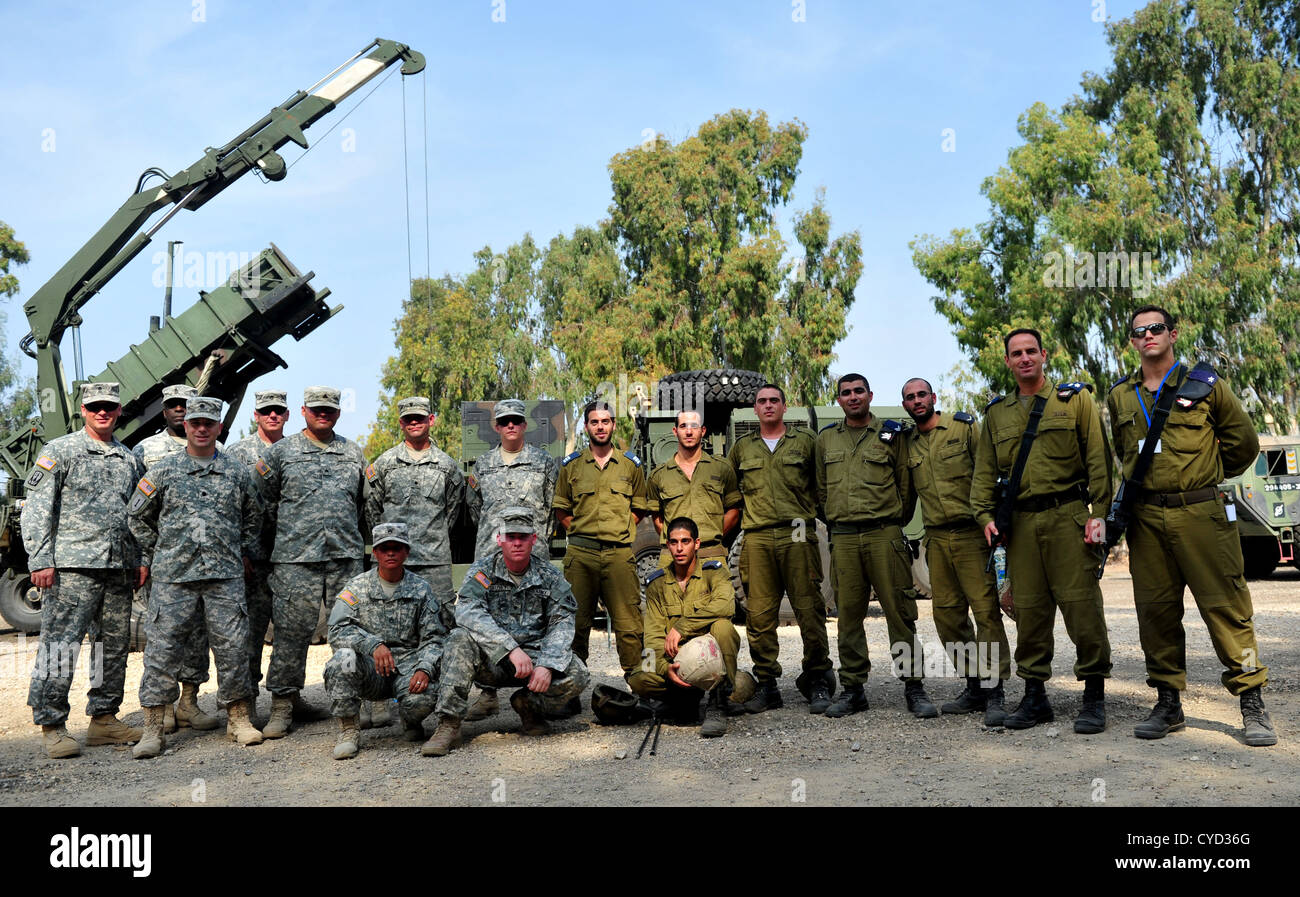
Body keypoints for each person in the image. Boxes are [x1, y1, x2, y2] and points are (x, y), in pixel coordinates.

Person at [1106, 305, 1277, 746]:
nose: (1148, 336)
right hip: (1146, 519)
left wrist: (1206, 471)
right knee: (1156, 612)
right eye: (1139, 331)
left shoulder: (1205, 385)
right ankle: (1168, 702)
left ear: (1173, 334)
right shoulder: (1120, 396)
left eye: (1156, 328)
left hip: (1201, 512)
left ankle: (1251, 702)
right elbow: (1124, 455)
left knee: (1226, 606)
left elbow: (1244, 443)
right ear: (1132, 342)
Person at [971, 328, 1113, 733]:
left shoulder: (1074, 400)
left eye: (1031, 351)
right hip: (1021, 526)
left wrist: (1098, 514)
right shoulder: (996, 413)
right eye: (1016, 353)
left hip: (1068, 517)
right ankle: (1035, 696)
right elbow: (983, 475)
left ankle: (1094, 696)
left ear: (1044, 355)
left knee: (1082, 607)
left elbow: (1098, 461)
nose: (1025, 358)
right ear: (1008, 362)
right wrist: (985, 518)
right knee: (1029, 611)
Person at [128, 397, 264, 758]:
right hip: (174, 577)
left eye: (209, 423)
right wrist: (160, 551)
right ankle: (153, 728)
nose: (202, 429)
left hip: (225, 575)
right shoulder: (164, 471)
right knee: (161, 651)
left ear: (219, 428)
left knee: (234, 648)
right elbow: (136, 516)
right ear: (184, 427)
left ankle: (238, 719)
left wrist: (244, 550)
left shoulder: (236, 471)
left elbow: (254, 515)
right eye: (195, 423)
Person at [24, 381, 146, 758]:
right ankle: (52, 723)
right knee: (60, 646)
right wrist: (41, 559)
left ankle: (104, 718)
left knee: (110, 648)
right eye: (95, 406)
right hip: (72, 568)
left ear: (119, 410)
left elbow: (139, 513)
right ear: (83, 410)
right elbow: (37, 508)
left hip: (118, 567)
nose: (102, 412)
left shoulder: (128, 458)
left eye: (109, 406)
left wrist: (140, 558)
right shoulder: (60, 451)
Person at [422, 507, 590, 756]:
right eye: (511, 537)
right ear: (499, 539)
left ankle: (529, 705)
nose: (517, 543)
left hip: (532, 662)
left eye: (523, 537)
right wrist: (509, 648)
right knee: (458, 638)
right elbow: (468, 613)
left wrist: (548, 664)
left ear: (534, 539)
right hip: (493, 660)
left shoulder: (550, 576)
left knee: (578, 673)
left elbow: (562, 621)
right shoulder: (483, 572)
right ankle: (449, 723)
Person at [816, 374, 936, 719]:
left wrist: (891, 519)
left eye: (858, 391)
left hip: (885, 534)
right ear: (838, 400)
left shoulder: (892, 434)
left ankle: (914, 686)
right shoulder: (827, 441)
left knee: (900, 613)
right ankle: (853, 689)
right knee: (848, 615)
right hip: (844, 538)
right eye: (845, 393)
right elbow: (821, 491)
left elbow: (905, 485)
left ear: (869, 395)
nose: (853, 397)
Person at [259, 386, 368, 739]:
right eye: (317, 409)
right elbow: (259, 502)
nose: (324, 414)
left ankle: (351, 703)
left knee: (349, 635)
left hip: (344, 558)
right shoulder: (281, 453)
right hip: (296, 559)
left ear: (337, 413)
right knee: (291, 635)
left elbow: (365, 505)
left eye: (330, 409)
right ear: (304, 411)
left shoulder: (353, 453)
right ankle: (283, 705)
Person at [901, 377, 1012, 726]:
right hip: (935, 538)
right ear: (905, 405)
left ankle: (996, 691)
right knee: (947, 617)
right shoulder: (908, 444)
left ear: (933, 397)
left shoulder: (964, 429)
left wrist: (995, 523)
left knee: (985, 613)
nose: (917, 401)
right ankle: (975, 685)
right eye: (910, 398)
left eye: (922, 394)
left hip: (971, 534)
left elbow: (989, 474)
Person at [728, 383, 832, 714]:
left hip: (798, 532)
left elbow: (822, 485)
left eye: (775, 400)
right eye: (763, 401)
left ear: (785, 407)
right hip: (756, 536)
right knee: (758, 615)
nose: (769, 405)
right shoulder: (742, 448)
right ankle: (768, 684)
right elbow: (732, 491)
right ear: (755, 409)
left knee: (809, 608)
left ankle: (817, 679)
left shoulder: (806, 442)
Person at [363, 395, 465, 727]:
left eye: (419, 417)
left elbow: (453, 513)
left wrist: (427, 541)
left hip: (434, 562)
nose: (414, 422)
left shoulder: (447, 466)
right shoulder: (385, 464)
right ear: (401, 422)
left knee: (442, 629)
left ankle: (440, 693)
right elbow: (373, 513)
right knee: (385, 628)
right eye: (408, 418)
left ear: (431, 419)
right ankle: (379, 698)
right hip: (395, 564)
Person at [322, 522, 455, 759]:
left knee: (421, 701)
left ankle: (410, 718)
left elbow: (435, 637)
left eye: (397, 547)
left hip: (407, 668)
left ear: (407, 552)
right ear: (375, 553)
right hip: (370, 668)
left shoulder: (421, 589)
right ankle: (348, 730)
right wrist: (373, 645)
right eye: (384, 548)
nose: (390, 553)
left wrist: (424, 669)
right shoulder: (358, 587)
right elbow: (337, 629)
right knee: (342, 660)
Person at [134, 383, 223, 733]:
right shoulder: (147, 450)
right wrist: (154, 550)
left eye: (186, 405)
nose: (180, 410)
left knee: (198, 633)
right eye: (172, 405)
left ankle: (189, 700)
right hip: (168, 564)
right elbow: (137, 507)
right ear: (165, 410)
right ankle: (163, 708)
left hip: (207, 564)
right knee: (165, 635)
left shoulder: (216, 451)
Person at [464, 398, 559, 721]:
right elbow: (474, 508)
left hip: (533, 555)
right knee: (487, 619)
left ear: (524, 425)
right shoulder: (483, 465)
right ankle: (487, 693)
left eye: (516, 421)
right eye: (504, 422)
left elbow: (550, 510)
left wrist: (538, 543)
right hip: (491, 554)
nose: (510, 427)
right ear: (496, 427)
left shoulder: (544, 462)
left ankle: (537, 692)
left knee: (538, 620)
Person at [553, 401, 648, 677]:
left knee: (629, 624)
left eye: (605, 421)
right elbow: (561, 510)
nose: (600, 426)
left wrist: (617, 529)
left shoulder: (630, 466)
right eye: (594, 422)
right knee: (574, 625)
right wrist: (582, 530)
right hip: (581, 556)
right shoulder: (572, 466)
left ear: (614, 424)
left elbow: (639, 508)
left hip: (619, 555)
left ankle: (639, 683)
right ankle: (569, 689)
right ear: (586, 427)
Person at [629, 517, 747, 737]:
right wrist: (666, 669)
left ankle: (719, 701)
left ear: (697, 544)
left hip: (709, 657)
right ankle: (685, 700)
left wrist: (682, 627)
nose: (680, 548)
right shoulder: (657, 584)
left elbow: (726, 605)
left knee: (724, 627)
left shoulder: (714, 572)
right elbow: (653, 638)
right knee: (639, 677)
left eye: (685, 541)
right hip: (678, 661)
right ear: (667, 545)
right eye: (674, 542)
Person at [225, 389, 290, 717]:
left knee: (289, 635)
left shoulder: (296, 450)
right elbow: (228, 505)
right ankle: (246, 703)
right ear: (256, 415)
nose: (273, 416)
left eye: (278, 411)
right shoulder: (237, 453)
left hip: (289, 557)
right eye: (266, 412)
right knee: (248, 636)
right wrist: (240, 551)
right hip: (252, 560)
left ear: (288, 415)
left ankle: (285, 699)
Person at [646, 409, 742, 567]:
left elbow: (733, 512)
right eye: (683, 426)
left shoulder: (722, 469)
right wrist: (678, 542)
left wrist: (713, 534)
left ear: (702, 431)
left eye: (694, 426)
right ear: (675, 431)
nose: (689, 432)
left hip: (711, 554)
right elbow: (657, 518)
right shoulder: (659, 475)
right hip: (672, 558)